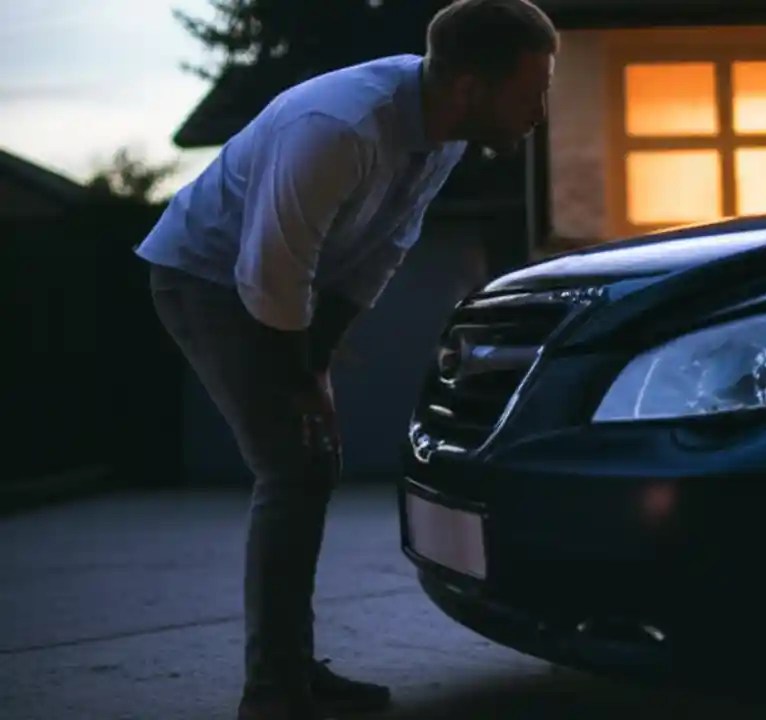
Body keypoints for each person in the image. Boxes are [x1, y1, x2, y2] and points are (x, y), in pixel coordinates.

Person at [133, 1, 558, 717]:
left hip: (275, 281)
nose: (540, 112)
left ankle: (292, 666)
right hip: (204, 276)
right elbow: (271, 272)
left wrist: (318, 369)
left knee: (312, 463)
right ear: (469, 86)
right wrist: (300, 383)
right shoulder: (339, 127)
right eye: (531, 89)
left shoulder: (443, 134)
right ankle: (273, 690)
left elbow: (379, 255)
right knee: (292, 468)